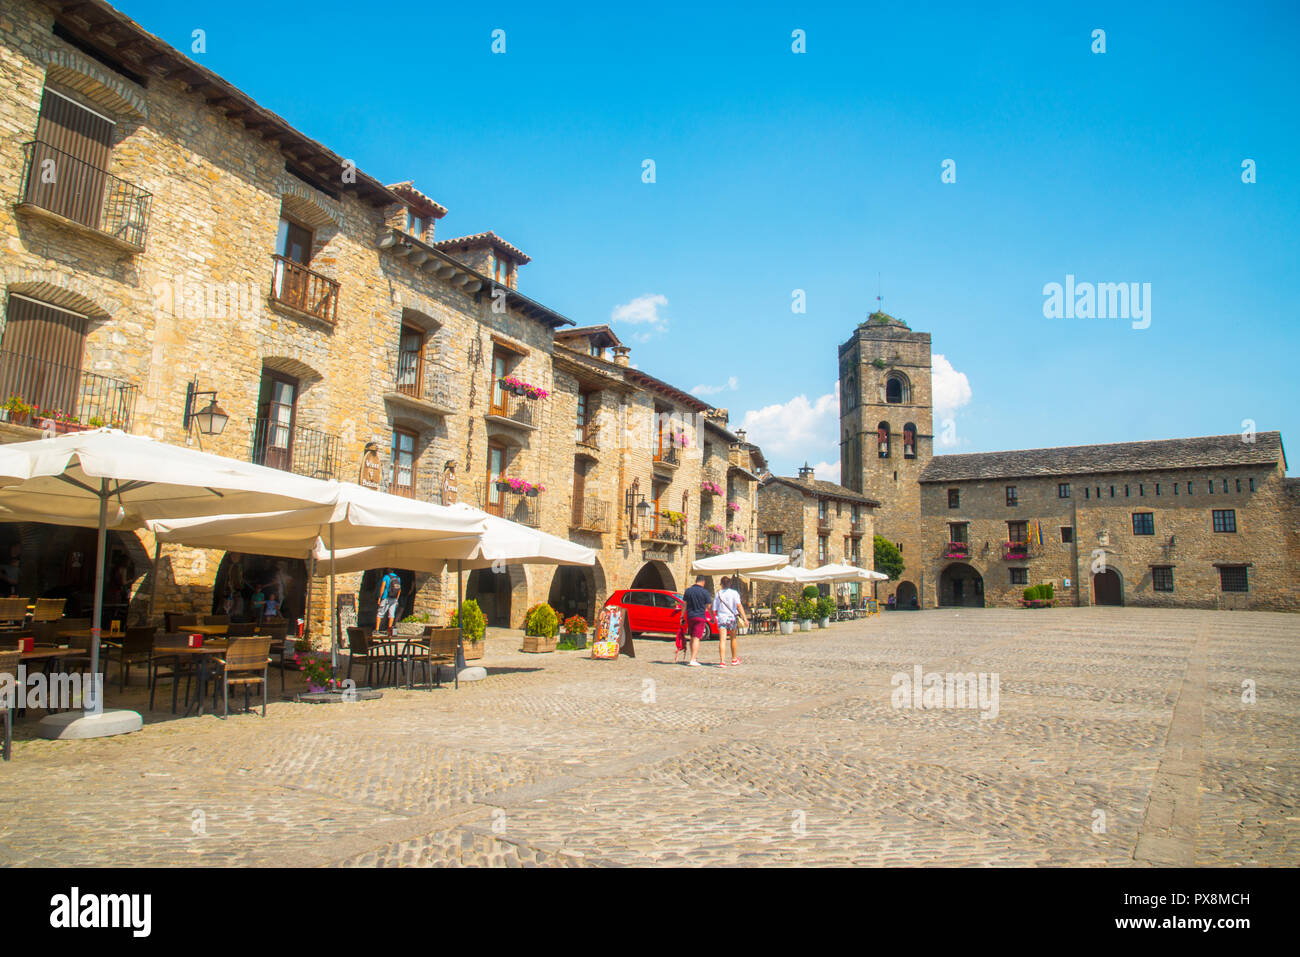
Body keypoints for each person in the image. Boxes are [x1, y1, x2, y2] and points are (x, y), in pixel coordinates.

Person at [712, 576, 748, 666]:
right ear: (729, 583)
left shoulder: (718, 594)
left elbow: (714, 608)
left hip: (722, 618)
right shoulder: (734, 593)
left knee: (722, 640)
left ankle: (722, 661)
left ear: (721, 584)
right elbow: (739, 606)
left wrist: (713, 617)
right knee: (733, 638)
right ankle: (734, 659)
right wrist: (745, 618)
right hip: (731, 618)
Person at [682, 574, 712, 667]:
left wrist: (682, 616)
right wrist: (712, 617)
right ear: (703, 582)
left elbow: (684, 605)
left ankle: (693, 657)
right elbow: (709, 607)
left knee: (692, 637)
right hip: (700, 617)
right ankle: (692, 659)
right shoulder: (705, 592)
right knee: (696, 638)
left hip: (690, 616)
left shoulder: (688, 591)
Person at [377, 568, 402, 638]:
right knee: (391, 614)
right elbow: (399, 589)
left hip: (386, 597)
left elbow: (382, 587)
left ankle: (377, 629)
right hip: (394, 598)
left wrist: (379, 597)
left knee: (380, 613)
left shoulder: (386, 577)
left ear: (389, 570)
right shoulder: (398, 578)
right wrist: (397, 598)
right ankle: (389, 630)